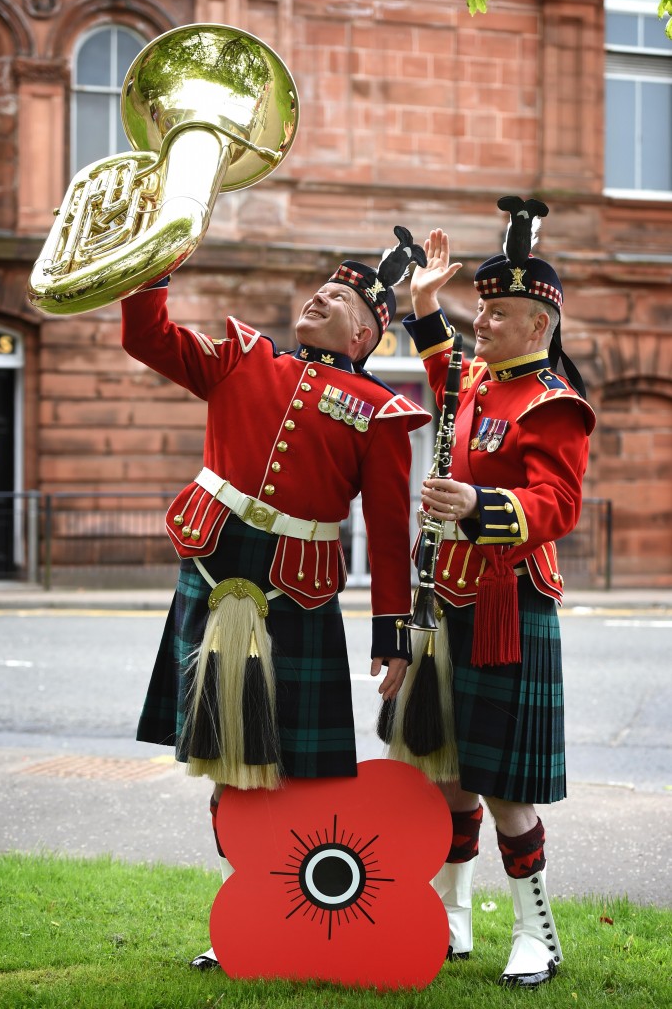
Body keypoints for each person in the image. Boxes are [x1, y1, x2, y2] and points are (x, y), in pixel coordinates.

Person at [120, 226, 430, 968]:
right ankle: (241, 911)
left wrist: (391, 639)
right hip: (215, 562)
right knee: (227, 754)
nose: (320, 297)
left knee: (288, 767)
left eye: (341, 297)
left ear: (364, 328)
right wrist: (154, 262)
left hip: (298, 589)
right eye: (318, 289)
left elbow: (388, 533)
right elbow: (148, 337)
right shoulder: (242, 356)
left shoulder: (381, 410)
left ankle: (278, 915)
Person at [393, 198, 595, 989]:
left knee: (508, 791)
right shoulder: (476, 377)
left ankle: (536, 934)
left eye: (497, 311)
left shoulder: (554, 405)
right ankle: (453, 919)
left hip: (510, 601)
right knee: (447, 775)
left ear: (538, 325)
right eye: (481, 307)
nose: (483, 321)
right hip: (448, 599)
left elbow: (560, 507)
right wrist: (423, 307)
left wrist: (480, 508)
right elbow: (448, 370)